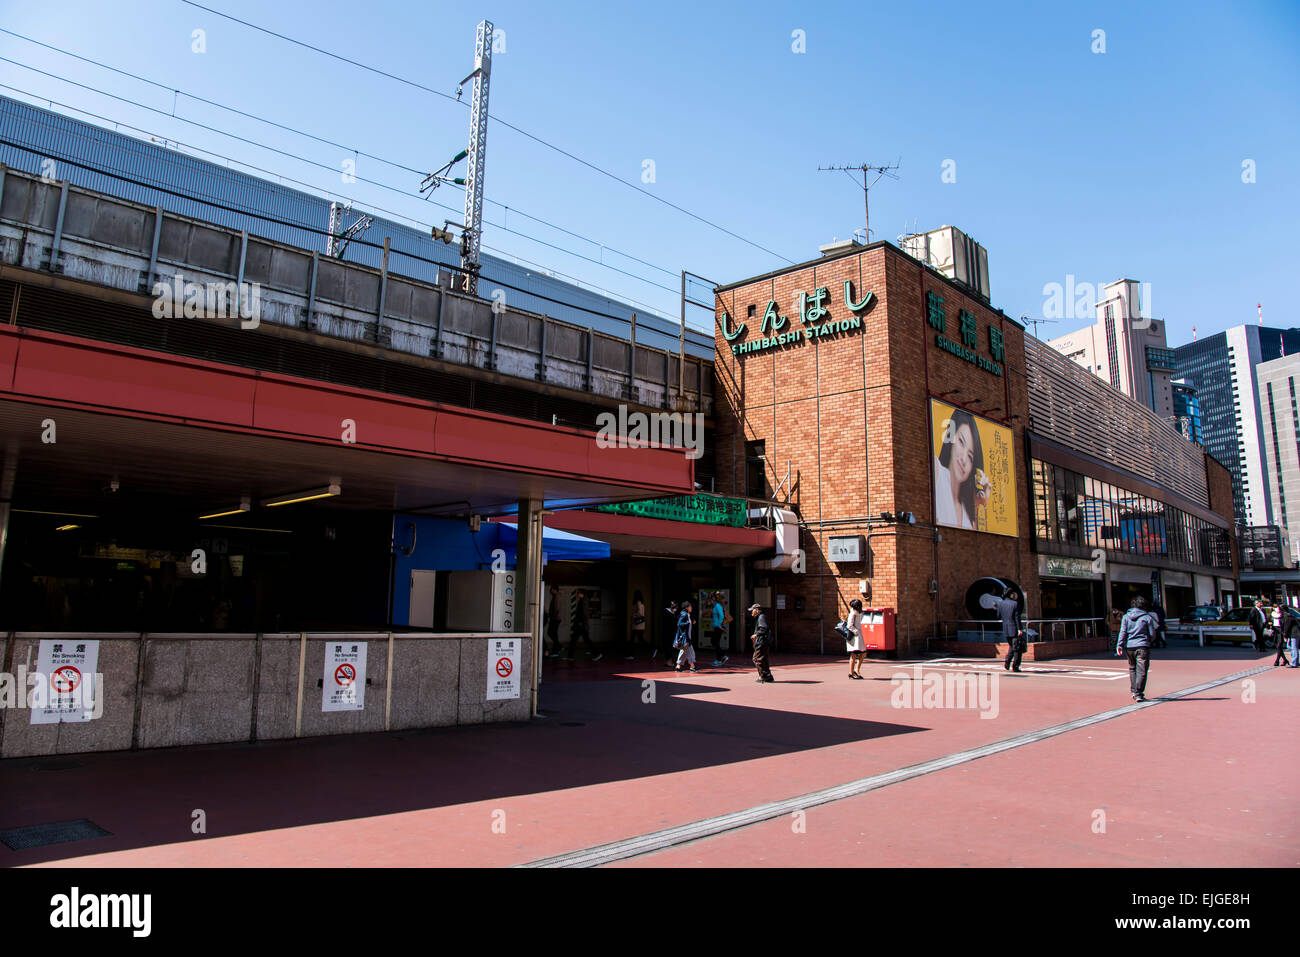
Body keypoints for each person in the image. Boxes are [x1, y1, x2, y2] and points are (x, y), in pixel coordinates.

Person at [934, 408, 989, 531]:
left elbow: (979, 542)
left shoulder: (968, 507)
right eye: (961, 442)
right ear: (951, 440)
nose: (964, 459)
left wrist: (982, 503)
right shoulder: (937, 471)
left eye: (970, 456)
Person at [1117, 595, 1159, 702]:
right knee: (1142, 670)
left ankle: (1133, 690)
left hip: (1129, 646)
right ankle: (1138, 693)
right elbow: (1152, 634)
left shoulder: (1126, 617)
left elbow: (1123, 631)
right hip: (1142, 646)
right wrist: (1148, 641)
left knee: (1132, 668)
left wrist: (1119, 645)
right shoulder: (1146, 617)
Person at [565, 588, 601, 662]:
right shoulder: (583, 600)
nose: (578, 594)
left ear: (582, 593)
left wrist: (580, 623)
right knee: (579, 640)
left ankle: (597, 654)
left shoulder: (583, 601)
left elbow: (583, 613)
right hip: (581, 625)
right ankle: (570, 656)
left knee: (576, 640)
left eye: (578, 593)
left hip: (581, 625)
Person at [998, 587, 1025, 672]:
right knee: (1017, 648)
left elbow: (998, 615)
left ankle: (1007, 661)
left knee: (1012, 646)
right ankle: (1015, 666)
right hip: (1014, 628)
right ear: (1011, 594)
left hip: (1006, 628)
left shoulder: (1001, 604)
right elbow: (1017, 618)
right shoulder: (1014, 604)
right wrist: (1020, 629)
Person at [749, 603, 774, 682]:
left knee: (758, 659)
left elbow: (763, 628)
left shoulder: (761, 617)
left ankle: (763, 676)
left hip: (761, 642)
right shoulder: (760, 617)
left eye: (752, 610)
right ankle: (768, 675)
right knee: (761, 659)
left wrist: (756, 635)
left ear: (756, 610)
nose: (751, 612)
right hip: (762, 642)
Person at [673, 600, 698, 673]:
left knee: (683, 651)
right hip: (686, 638)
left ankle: (678, 666)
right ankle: (692, 666)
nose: (691, 607)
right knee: (691, 652)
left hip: (686, 637)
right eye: (690, 606)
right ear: (687, 607)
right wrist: (687, 623)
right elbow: (679, 624)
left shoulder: (687, 614)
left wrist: (692, 621)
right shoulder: (685, 614)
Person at [845, 598, 866, 678]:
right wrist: (856, 631)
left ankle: (856, 670)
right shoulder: (852, 613)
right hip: (854, 636)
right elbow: (849, 625)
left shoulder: (859, 613)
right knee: (854, 654)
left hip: (858, 636)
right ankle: (851, 672)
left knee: (863, 652)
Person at [710, 592, 729, 666]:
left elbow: (721, 616)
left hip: (718, 626)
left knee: (715, 642)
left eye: (711, 599)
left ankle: (720, 659)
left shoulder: (718, 606)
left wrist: (718, 625)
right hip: (717, 626)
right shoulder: (716, 606)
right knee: (714, 642)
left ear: (714, 599)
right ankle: (722, 657)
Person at [627, 589, 647, 660]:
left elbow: (640, 613)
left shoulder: (638, 602)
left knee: (632, 640)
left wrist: (634, 615)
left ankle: (631, 655)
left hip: (637, 624)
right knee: (640, 639)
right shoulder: (642, 603)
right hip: (640, 624)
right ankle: (653, 649)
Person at [544, 584, 563, 658]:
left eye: (552, 589)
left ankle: (557, 648)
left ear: (555, 590)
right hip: (555, 618)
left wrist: (553, 616)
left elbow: (557, 608)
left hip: (555, 618)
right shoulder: (556, 596)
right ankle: (558, 647)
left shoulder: (557, 596)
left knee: (551, 633)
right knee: (553, 634)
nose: (551, 591)